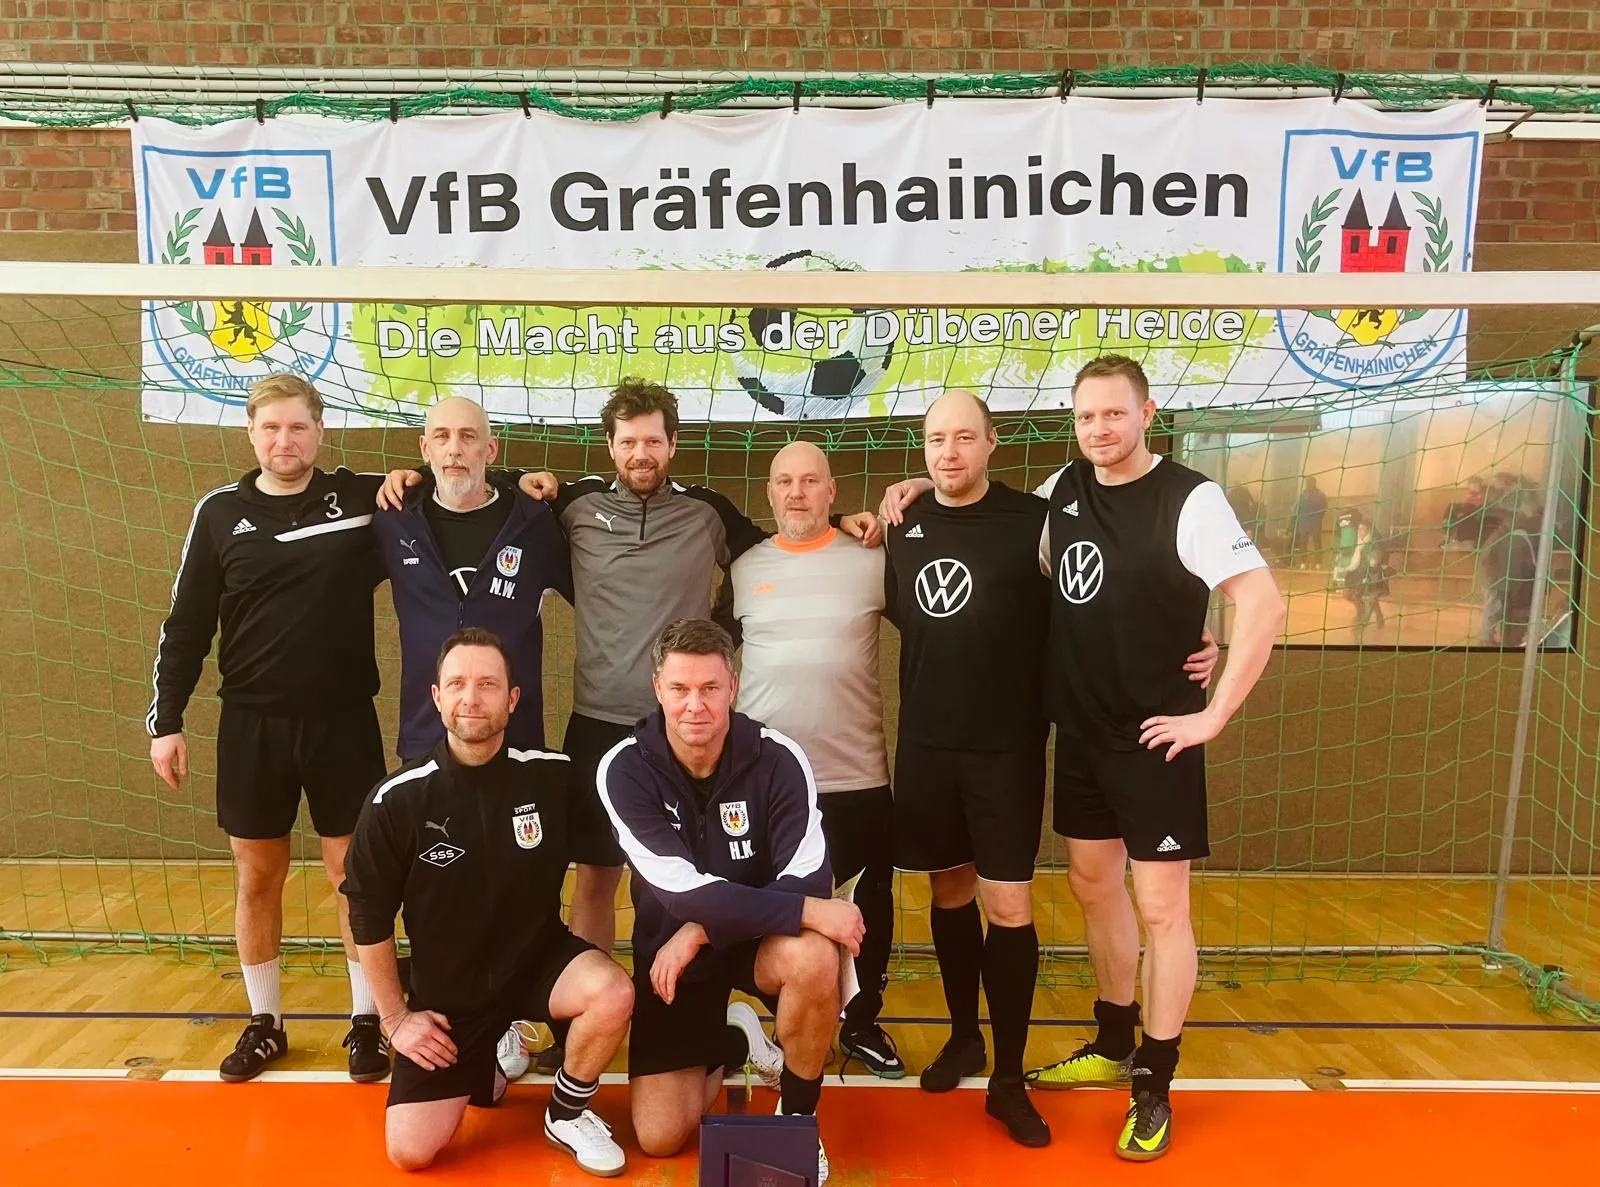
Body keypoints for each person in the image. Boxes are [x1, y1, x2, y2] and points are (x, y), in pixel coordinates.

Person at [875, 392, 1219, 1149]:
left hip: (1009, 749)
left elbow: (1123, 583)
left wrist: (1206, 631)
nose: (950, 451)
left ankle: (1005, 1079)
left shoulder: (1042, 517)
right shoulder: (901, 523)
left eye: (965, 436)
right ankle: (964, 1035)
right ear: (923, 450)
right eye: (936, 439)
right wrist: (894, 498)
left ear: (993, 442)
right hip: (928, 745)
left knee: (1010, 906)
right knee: (948, 889)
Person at [1026, 355, 1285, 1162]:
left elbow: (1263, 600)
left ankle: (1155, 1081)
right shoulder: (1060, 490)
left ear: (1147, 413)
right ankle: (1111, 1038)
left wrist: (1212, 714)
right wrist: (910, 494)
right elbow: (1003, 540)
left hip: (1156, 737)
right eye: (1085, 417)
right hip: (1083, 733)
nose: (1098, 429)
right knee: (1093, 884)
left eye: (1113, 414)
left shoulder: (1191, 497)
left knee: (1163, 908)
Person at [146, 373, 393, 1083]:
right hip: (251, 723)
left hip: (344, 721)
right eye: (271, 428)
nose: (285, 440)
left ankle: (365, 1023)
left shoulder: (356, 499)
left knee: (356, 876)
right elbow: (186, 625)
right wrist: (167, 720)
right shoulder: (220, 512)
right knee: (259, 874)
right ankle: (266, 1022)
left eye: (298, 427)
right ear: (251, 433)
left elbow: (441, 481)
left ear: (321, 431)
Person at [341, 628, 634, 1176]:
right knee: (410, 1152)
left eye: (487, 684)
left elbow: (624, 827)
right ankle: (488, 1060)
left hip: (537, 965)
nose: (471, 698)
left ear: (512, 698)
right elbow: (367, 916)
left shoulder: (553, 776)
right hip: (452, 996)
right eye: (457, 684)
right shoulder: (398, 800)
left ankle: (566, 1114)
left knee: (613, 992)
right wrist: (397, 1019)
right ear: (436, 697)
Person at [597, 619, 860, 1185]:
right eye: (681, 689)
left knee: (815, 958)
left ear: (733, 688)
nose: (696, 705)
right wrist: (805, 910)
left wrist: (699, 931)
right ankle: (733, 1035)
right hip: (675, 963)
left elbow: (809, 875)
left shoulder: (779, 757)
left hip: (732, 945)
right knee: (660, 1136)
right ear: (658, 689)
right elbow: (681, 890)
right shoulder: (623, 768)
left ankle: (796, 1122)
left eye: (710, 689)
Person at [727, 440, 902, 1078]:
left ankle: (860, 1021)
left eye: (810, 481)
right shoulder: (744, 567)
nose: (796, 492)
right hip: (767, 778)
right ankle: (771, 1018)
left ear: (833, 492)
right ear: (769, 494)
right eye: (783, 482)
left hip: (855, 771)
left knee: (868, 900)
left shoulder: (874, 558)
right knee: (768, 898)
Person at [373, 395, 572, 759]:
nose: (454, 450)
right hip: (426, 735)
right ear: (425, 447)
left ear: (490, 449)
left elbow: (592, 593)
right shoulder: (395, 516)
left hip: (515, 738)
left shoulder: (533, 521)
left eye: (468, 437)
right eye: (441, 437)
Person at [1332, 511, 1388, 639]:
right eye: (1359, 529)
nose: (1360, 532)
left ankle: (1358, 625)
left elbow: (1375, 561)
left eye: (1363, 529)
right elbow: (1354, 560)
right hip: (1357, 573)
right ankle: (1375, 611)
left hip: (1370, 575)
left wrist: (1375, 561)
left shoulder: (1373, 543)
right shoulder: (1356, 543)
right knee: (1347, 594)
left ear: (1369, 531)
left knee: (1362, 597)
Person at [1293, 476, 1328, 568]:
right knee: (1303, 542)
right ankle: (1303, 562)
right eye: (1307, 483)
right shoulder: (1303, 494)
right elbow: (1298, 507)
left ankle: (1318, 563)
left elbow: (1324, 508)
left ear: (1314, 483)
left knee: (1317, 542)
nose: (1308, 485)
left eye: (1309, 483)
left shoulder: (1320, 495)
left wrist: (1318, 518)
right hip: (1304, 522)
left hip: (1315, 522)